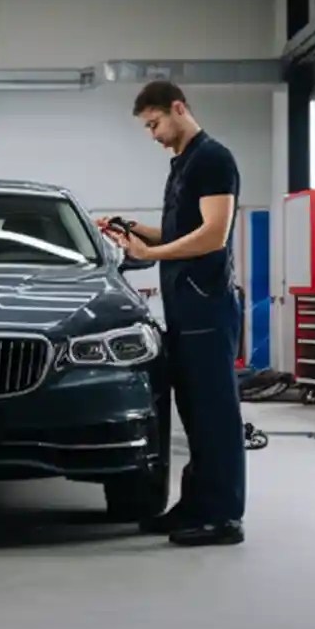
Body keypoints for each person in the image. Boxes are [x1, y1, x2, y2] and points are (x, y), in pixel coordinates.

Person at [98, 80, 245, 547]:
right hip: (184, 307)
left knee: (216, 415)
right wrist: (134, 230)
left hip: (207, 304)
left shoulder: (213, 159)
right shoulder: (182, 164)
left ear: (178, 108)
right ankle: (195, 504)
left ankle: (223, 517)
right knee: (194, 413)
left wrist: (153, 254)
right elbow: (181, 229)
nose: (153, 134)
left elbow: (213, 235)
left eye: (155, 123)